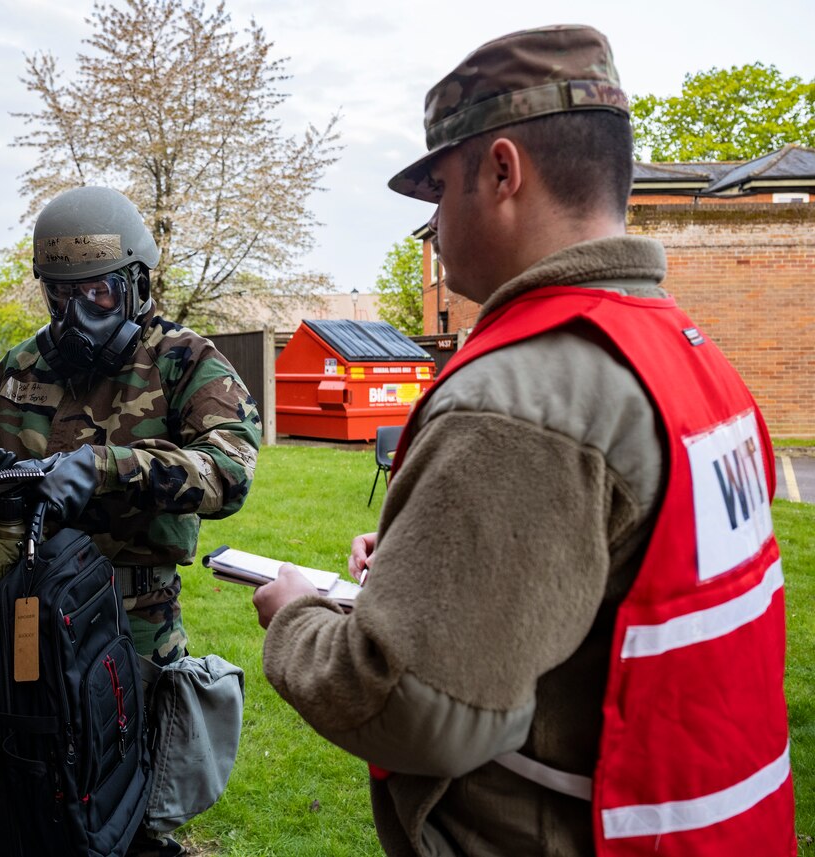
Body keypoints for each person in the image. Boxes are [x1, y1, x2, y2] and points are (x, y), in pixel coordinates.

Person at [252, 24, 795, 857]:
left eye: (438, 188)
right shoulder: (683, 352)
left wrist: (297, 619)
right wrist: (422, 556)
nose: (433, 223)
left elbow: (412, 705)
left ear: (502, 170)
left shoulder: (520, 402)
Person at [0, 185, 261, 856]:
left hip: (131, 633)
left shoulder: (184, 359)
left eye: (95, 293)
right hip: (24, 618)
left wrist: (107, 467)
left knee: (123, 819)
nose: (74, 314)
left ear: (135, 284)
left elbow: (229, 469)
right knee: (22, 796)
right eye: (59, 296)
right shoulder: (23, 364)